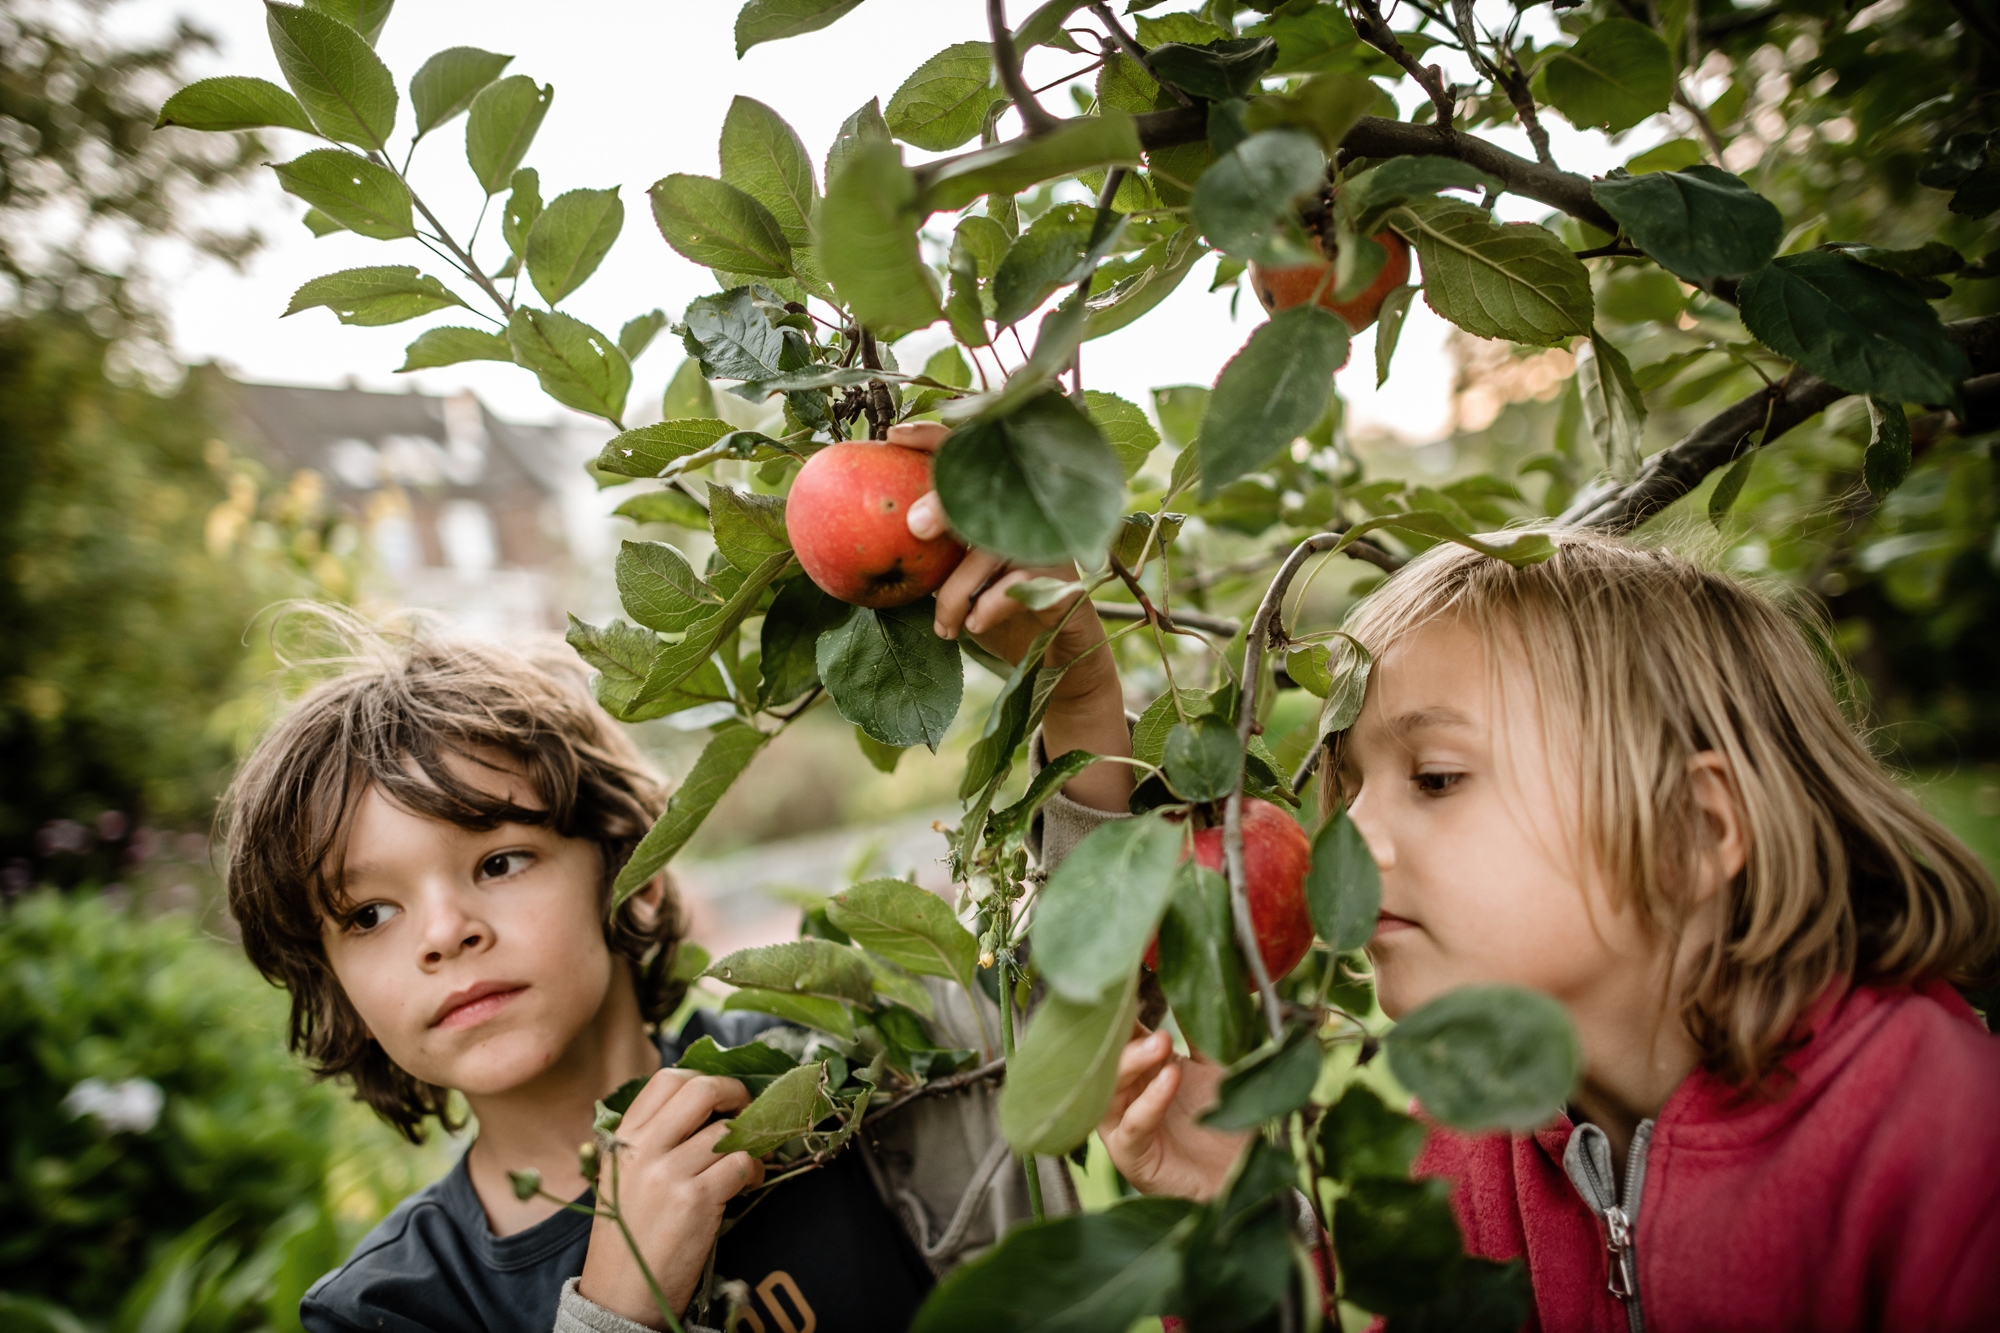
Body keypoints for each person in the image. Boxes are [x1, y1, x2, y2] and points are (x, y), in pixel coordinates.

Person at [219, 420, 1133, 1333]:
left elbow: (1078, 1007)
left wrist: (1079, 690)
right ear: (332, 976)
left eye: (498, 861)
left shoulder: (827, 1061)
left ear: (635, 873)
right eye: (369, 912)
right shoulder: (387, 1310)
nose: (444, 931)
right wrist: (618, 1309)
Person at [1095, 532, 2000, 1331]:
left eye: (1438, 777)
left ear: (1695, 829)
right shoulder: (1464, 1143)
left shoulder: (1946, 1148)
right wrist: (1237, 1215)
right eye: (1353, 787)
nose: (1348, 841)